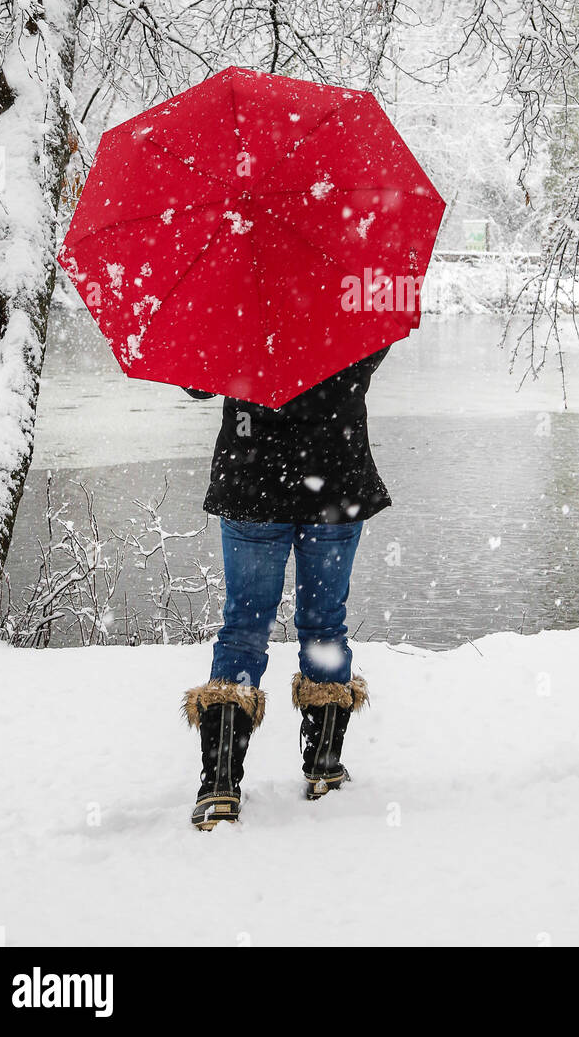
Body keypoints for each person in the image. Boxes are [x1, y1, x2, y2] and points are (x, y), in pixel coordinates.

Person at [181, 347, 390, 829]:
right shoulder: (345, 302)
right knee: (324, 626)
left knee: (243, 630)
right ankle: (323, 770)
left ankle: (219, 786)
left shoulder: (237, 304)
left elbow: (196, 379)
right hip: (334, 481)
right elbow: (373, 348)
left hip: (253, 481)